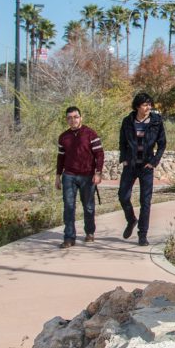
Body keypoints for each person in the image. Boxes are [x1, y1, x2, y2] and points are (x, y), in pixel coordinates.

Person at [118, 92, 166, 246]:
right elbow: (122, 142)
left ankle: (142, 234)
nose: (148, 107)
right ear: (137, 106)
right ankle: (131, 220)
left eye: (150, 104)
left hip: (146, 167)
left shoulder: (156, 122)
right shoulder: (127, 121)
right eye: (145, 104)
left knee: (145, 202)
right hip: (130, 165)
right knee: (123, 196)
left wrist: (154, 162)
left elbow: (162, 144)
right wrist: (124, 159)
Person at [55, 106, 104, 248]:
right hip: (69, 175)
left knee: (88, 206)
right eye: (69, 118)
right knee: (69, 206)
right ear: (66, 120)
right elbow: (60, 158)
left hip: (87, 176)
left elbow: (99, 154)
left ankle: (89, 232)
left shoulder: (90, 134)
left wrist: (98, 172)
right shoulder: (63, 137)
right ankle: (69, 237)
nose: (73, 120)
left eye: (75, 117)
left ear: (81, 118)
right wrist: (58, 176)